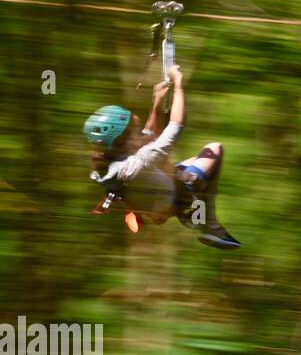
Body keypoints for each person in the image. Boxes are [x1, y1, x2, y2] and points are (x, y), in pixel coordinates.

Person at [84, 65, 241, 249]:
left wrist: (157, 100)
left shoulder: (111, 160)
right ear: (123, 140)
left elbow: (148, 135)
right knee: (214, 149)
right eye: (133, 130)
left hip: (155, 200)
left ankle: (191, 210)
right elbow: (176, 126)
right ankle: (207, 222)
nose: (139, 130)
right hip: (170, 198)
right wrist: (179, 84)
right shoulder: (139, 161)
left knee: (185, 162)